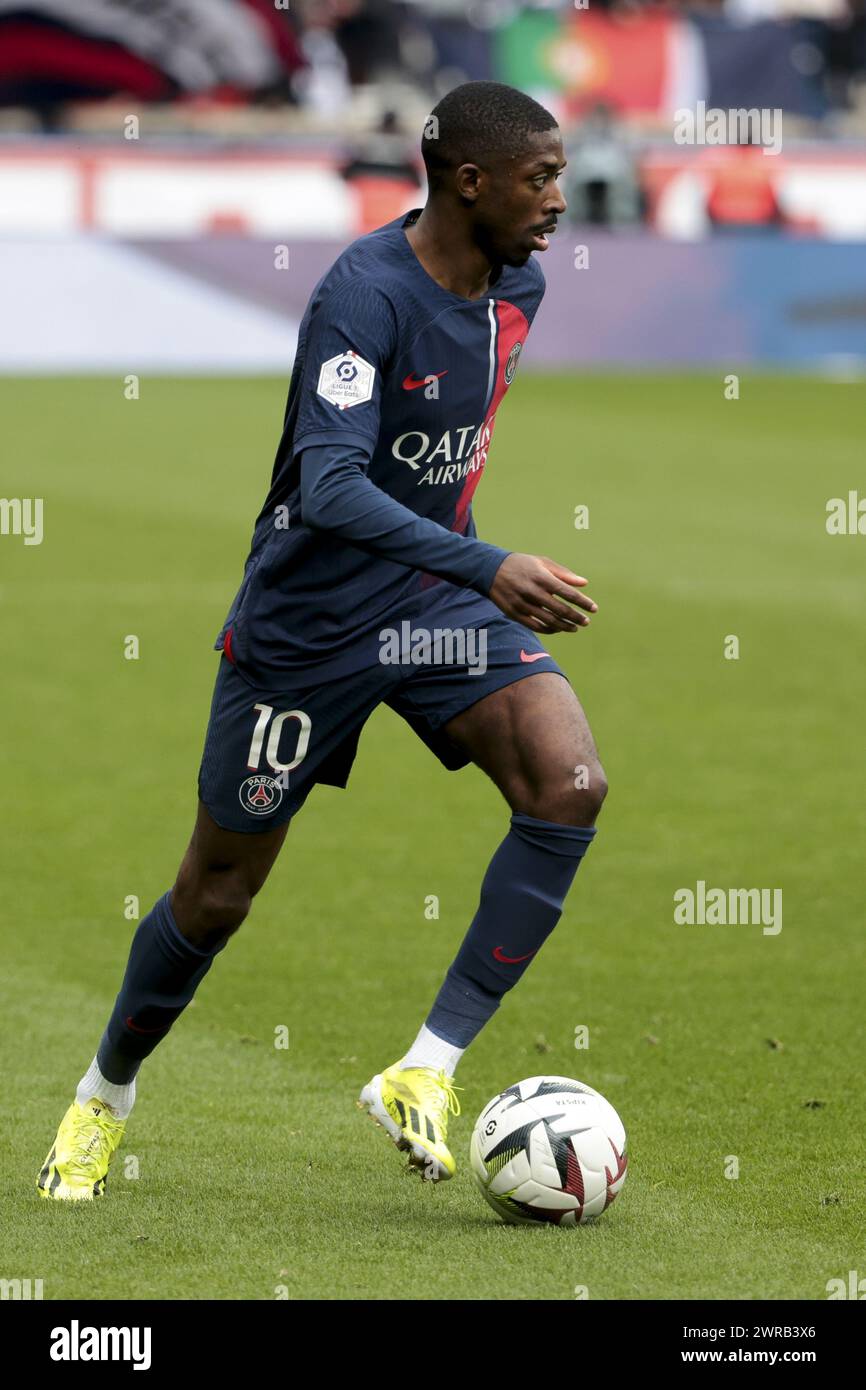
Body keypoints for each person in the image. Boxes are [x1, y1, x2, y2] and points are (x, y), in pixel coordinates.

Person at [37, 80, 607, 1200]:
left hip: (434, 609)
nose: (558, 200)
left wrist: (463, 564)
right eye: (539, 179)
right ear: (467, 180)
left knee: (569, 780)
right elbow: (330, 486)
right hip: (309, 627)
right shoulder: (361, 297)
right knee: (215, 895)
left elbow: (439, 455)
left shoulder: (519, 283)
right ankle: (103, 1097)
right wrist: (488, 564)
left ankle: (422, 1070)